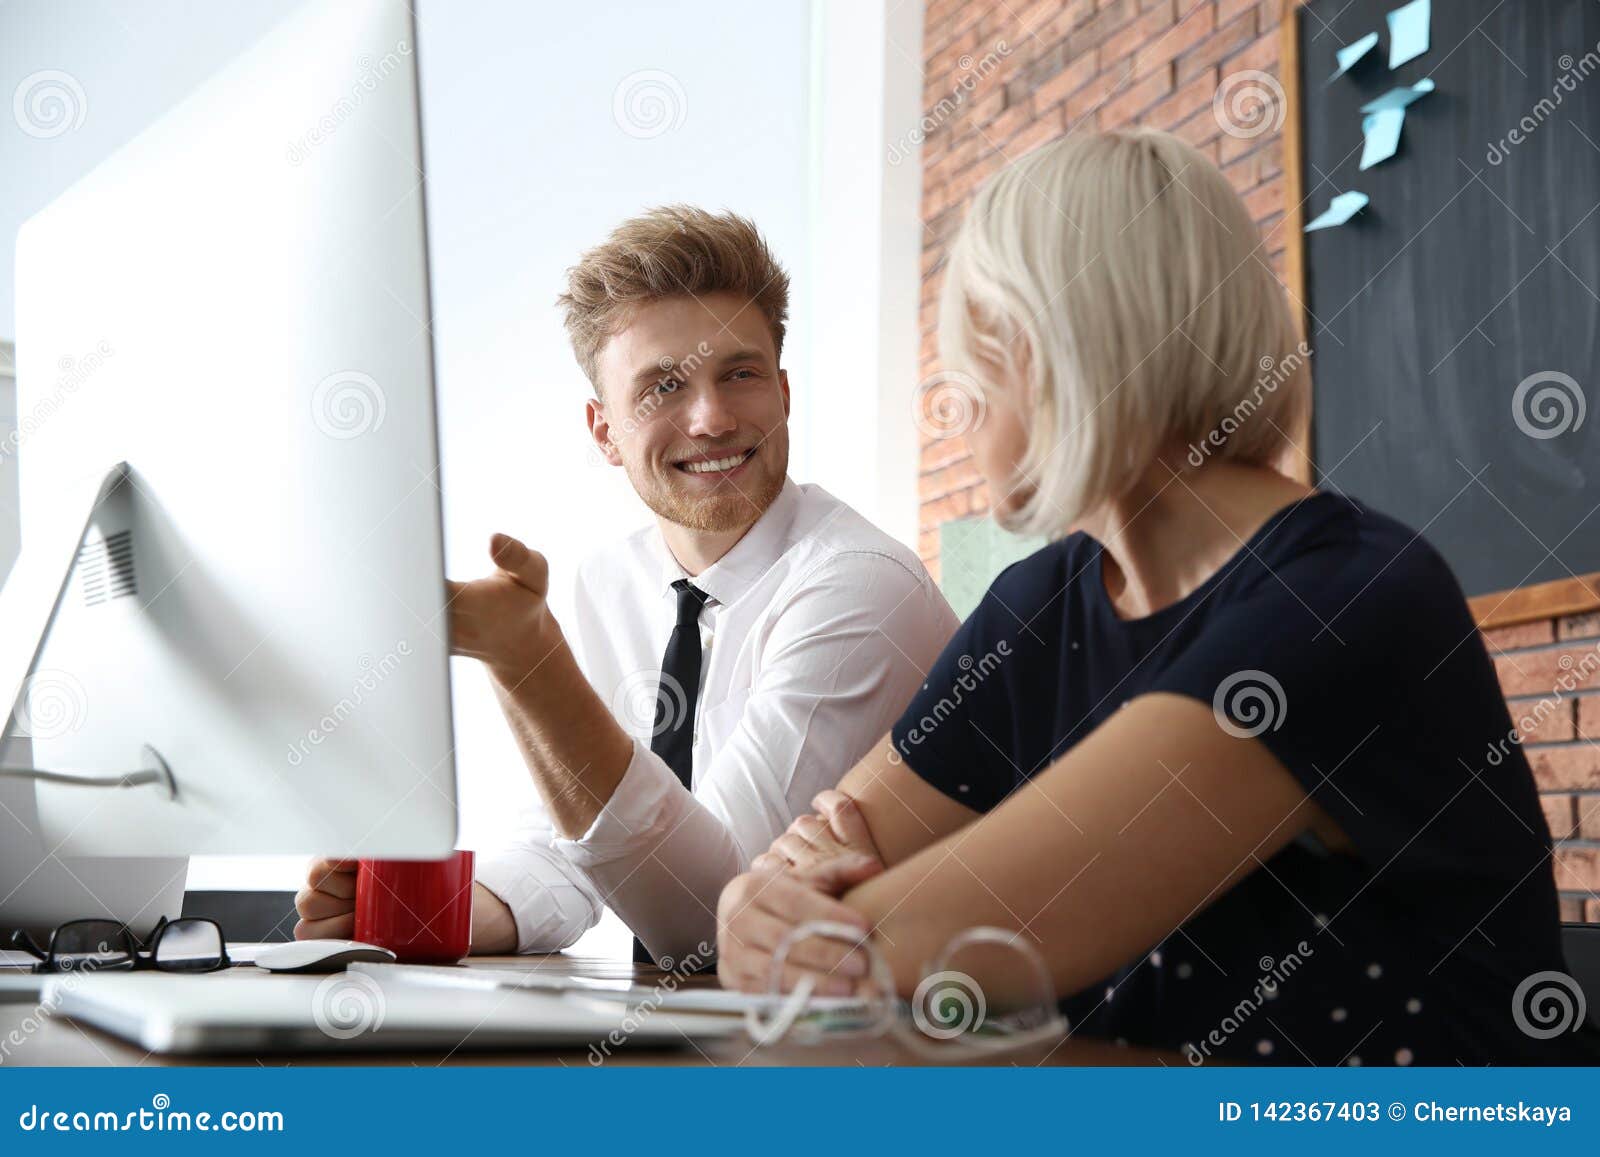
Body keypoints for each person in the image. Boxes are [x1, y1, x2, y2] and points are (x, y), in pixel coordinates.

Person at [716, 129, 1600, 1065]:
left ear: (1051, 344)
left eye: (972, 352)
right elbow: (809, 870)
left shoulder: (1346, 599)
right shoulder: (1041, 601)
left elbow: (919, 943)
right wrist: (749, 901)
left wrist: (792, 922)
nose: (956, 401)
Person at [295, 207, 958, 964]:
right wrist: (424, 917)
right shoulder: (609, 583)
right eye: (662, 388)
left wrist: (531, 668)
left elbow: (714, 921)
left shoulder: (861, 590)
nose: (710, 418)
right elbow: (566, 854)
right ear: (605, 431)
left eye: (739, 374)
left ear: (783, 393)